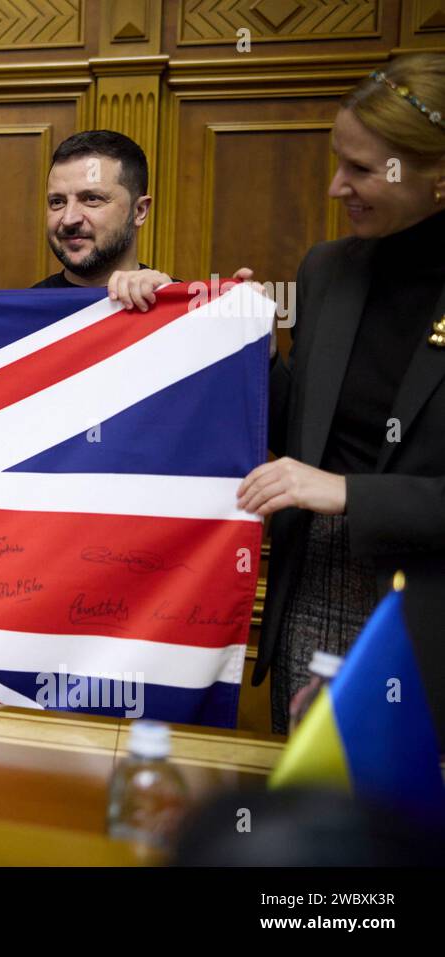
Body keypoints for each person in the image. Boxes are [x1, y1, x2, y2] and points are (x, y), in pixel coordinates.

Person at [238, 53, 445, 733]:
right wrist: (252, 354)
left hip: (426, 626)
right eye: (338, 161)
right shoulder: (327, 271)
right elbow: (301, 426)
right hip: (313, 606)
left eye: (361, 170)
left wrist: (350, 492)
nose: (335, 187)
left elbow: (327, 477)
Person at [34, 130, 174, 311]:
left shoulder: (185, 313)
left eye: (91, 199)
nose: (69, 219)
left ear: (139, 211)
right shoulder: (21, 316)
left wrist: (171, 302)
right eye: (57, 202)